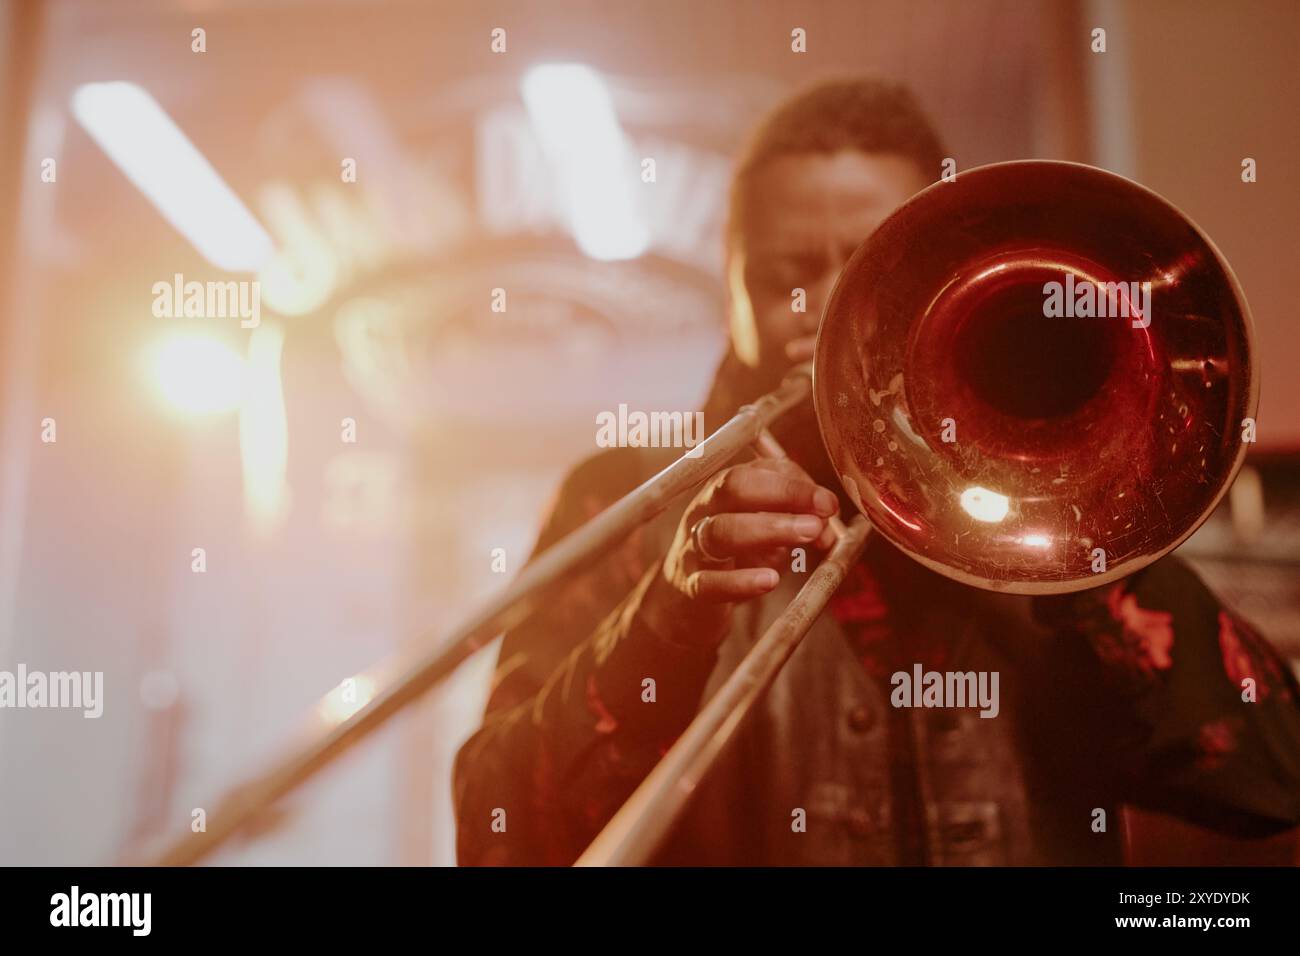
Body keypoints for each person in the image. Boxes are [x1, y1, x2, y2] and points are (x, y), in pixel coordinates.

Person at [453, 78, 1300, 866]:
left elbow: (1272, 780)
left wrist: (1068, 526)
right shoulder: (623, 494)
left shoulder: (1061, 495)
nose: (819, 306)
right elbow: (496, 833)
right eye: (785, 275)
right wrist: (666, 621)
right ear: (731, 291)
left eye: (867, 265)